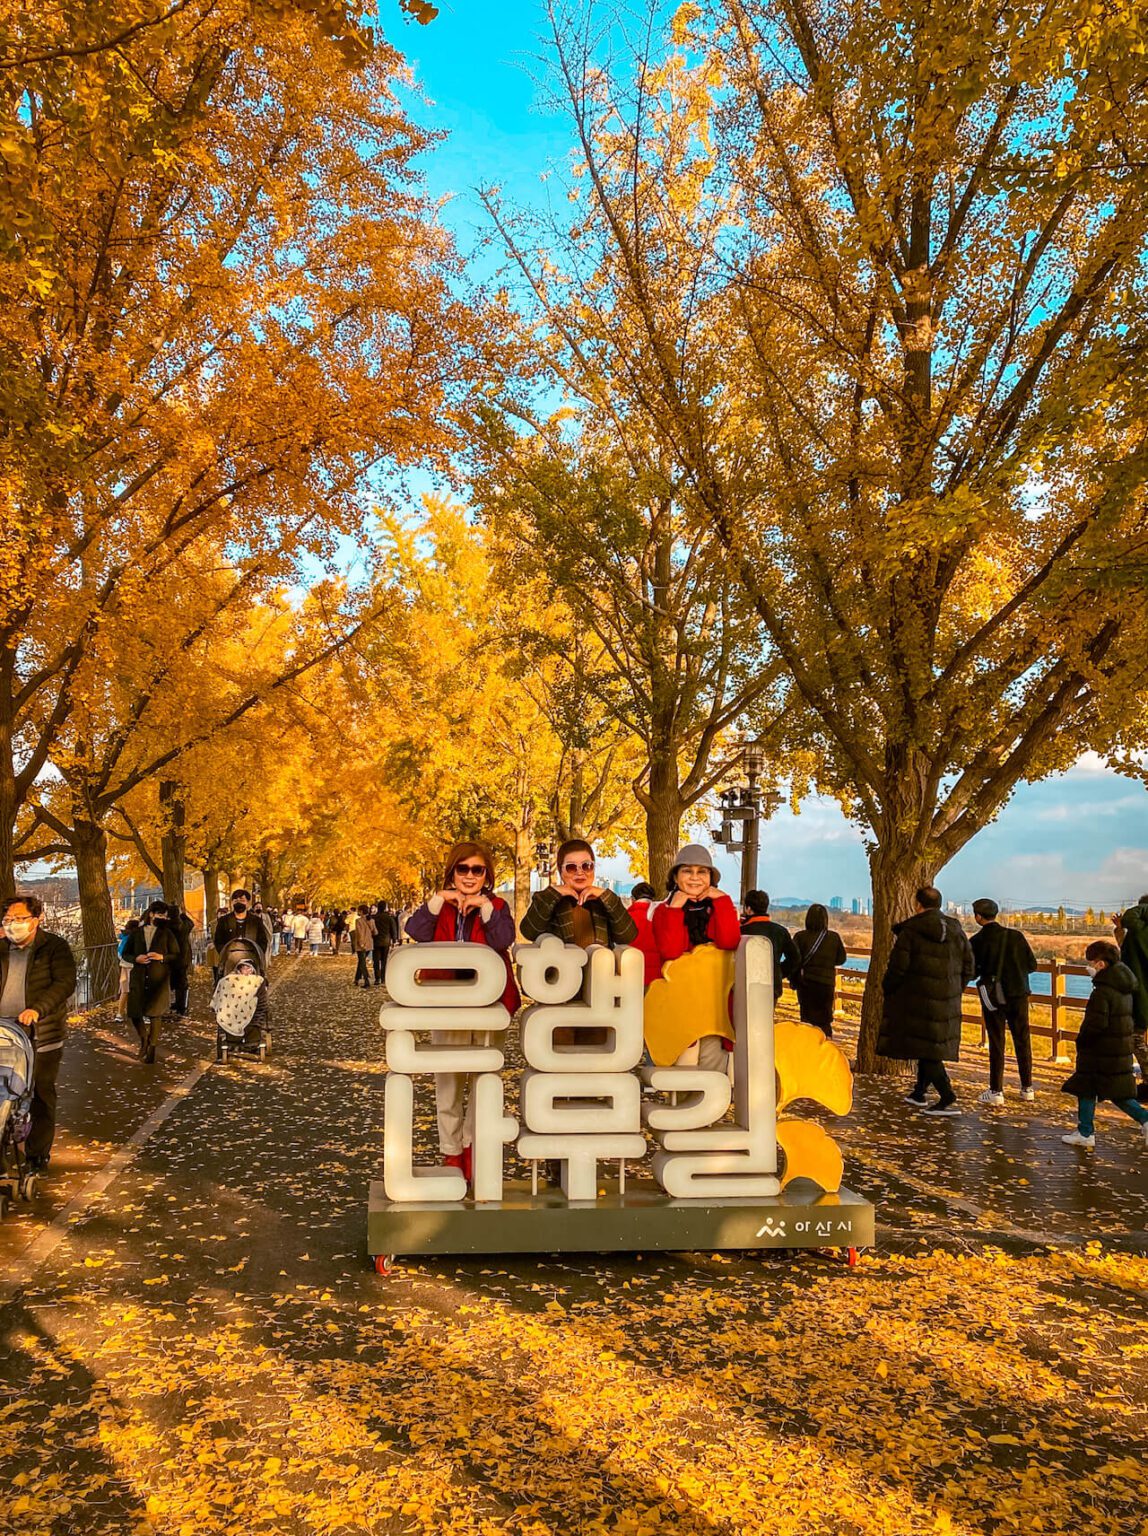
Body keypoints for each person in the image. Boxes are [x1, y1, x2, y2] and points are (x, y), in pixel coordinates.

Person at [406, 841, 520, 1184]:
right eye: (463, 869)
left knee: (485, 1080)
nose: (470, 876)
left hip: (489, 1004)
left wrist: (485, 908)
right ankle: (451, 1151)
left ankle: (472, 1146)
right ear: (452, 871)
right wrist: (439, 901)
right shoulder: (440, 906)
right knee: (449, 1083)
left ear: (487, 875)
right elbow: (416, 932)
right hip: (447, 1004)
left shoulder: (497, 905)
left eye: (477, 870)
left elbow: (502, 940)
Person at [878, 885, 975, 1116]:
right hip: (948, 999)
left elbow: (898, 968)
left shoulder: (910, 931)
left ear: (917, 904)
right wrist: (955, 989)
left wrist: (888, 988)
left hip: (916, 999)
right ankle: (919, 1092)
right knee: (927, 1046)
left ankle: (947, 1096)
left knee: (928, 1050)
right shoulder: (956, 930)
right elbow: (970, 966)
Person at [0, 895, 77, 1173]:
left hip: (41, 1034)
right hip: (2, 1033)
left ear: (37, 919)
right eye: (8, 919)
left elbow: (65, 982)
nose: (13, 925)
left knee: (40, 1092)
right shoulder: (2, 948)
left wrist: (37, 1009)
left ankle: (37, 1153)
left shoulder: (54, 947)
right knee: (2, 1095)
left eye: (19, 919)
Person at [650, 845, 741, 1069]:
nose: (694, 878)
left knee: (714, 1067)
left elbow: (729, 941)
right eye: (687, 871)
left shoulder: (718, 907)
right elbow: (671, 952)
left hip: (715, 1007)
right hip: (681, 1003)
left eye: (702, 872)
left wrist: (721, 900)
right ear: (675, 876)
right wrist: (675, 910)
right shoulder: (663, 910)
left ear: (711, 877)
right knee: (683, 1065)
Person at [1061, 940, 1148, 1149]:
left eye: (1091, 962)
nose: (1088, 966)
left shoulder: (1103, 991)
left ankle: (1086, 1132)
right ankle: (1085, 1130)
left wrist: (1082, 1041)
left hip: (1100, 1049)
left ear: (1101, 964)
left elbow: (1096, 1023)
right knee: (1099, 1089)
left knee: (1093, 1087)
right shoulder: (1124, 985)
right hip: (1117, 1047)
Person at [969, 899, 1038, 1105]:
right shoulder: (1016, 936)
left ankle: (996, 1090)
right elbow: (1032, 965)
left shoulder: (977, 941)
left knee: (996, 1040)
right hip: (1018, 994)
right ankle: (1027, 1087)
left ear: (978, 917)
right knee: (1022, 1039)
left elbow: (972, 972)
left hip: (993, 996)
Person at [520, 839, 638, 950]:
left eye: (587, 866)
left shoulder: (604, 903)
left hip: (600, 970)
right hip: (560, 970)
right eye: (571, 867)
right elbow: (529, 931)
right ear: (561, 871)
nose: (580, 872)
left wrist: (607, 896)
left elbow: (627, 936)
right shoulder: (548, 900)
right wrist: (554, 893)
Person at [125, 899, 182, 1064]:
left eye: (165, 916)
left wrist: (162, 957)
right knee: (135, 1012)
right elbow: (126, 953)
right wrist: (136, 958)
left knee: (156, 1014)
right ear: (151, 914)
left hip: (159, 977)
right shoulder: (136, 933)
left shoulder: (167, 934)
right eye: (160, 915)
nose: (163, 918)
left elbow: (176, 954)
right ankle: (144, 1038)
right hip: (139, 976)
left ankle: (152, 1047)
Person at [789, 903, 848, 1037]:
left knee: (807, 1018)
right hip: (826, 983)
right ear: (825, 919)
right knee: (825, 1018)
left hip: (806, 983)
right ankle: (826, 1044)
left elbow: (793, 959)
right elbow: (841, 959)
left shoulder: (800, 937)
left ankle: (809, 1047)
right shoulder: (834, 937)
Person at [1114, 895, 1148, 1101]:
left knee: (1134, 1038)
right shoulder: (1137, 934)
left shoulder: (1138, 933)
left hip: (1139, 996)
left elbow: (1123, 947)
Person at [740, 891, 801, 1002]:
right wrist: (779, 971)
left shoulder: (741, 931)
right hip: (772, 986)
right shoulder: (780, 931)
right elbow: (795, 958)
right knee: (766, 1018)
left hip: (744, 985)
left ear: (748, 909)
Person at [211, 946, 269, 1061]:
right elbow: (222, 991)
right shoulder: (228, 979)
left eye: (249, 968)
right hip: (231, 1010)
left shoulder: (257, 980)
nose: (246, 971)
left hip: (252, 1013)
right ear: (239, 969)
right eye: (244, 968)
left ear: (253, 970)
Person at [212, 890, 267, 960]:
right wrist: (225, 954)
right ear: (232, 902)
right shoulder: (224, 921)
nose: (239, 903)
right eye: (236, 901)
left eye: (242, 900)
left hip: (251, 958)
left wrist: (257, 956)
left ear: (248, 903)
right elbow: (218, 941)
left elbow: (263, 941)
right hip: (230, 959)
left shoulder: (256, 921)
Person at [628, 881, 661, 985]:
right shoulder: (661, 915)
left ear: (633, 899)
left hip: (632, 973)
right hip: (657, 974)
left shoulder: (626, 918)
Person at [167, 902, 194, 1017]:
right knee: (182, 983)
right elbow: (191, 923)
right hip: (183, 958)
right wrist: (183, 914)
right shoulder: (184, 926)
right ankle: (181, 1005)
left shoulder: (167, 926)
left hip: (171, 958)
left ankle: (175, 1004)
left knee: (170, 982)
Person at [115, 917, 140, 1021]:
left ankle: (119, 1013)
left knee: (124, 991)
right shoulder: (133, 937)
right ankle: (139, 1014)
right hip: (132, 966)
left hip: (123, 965)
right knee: (138, 991)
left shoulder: (124, 936)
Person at [372, 900, 396, 986]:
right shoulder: (389, 918)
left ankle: (377, 978)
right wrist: (394, 940)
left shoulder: (374, 917)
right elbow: (393, 929)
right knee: (384, 960)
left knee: (376, 961)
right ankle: (383, 978)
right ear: (385, 907)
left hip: (375, 941)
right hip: (386, 941)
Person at [351, 904, 375, 987]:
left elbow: (359, 933)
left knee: (362, 962)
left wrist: (361, 943)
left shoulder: (358, 921)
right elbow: (375, 932)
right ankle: (357, 979)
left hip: (361, 944)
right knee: (361, 961)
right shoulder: (371, 920)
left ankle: (366, 980)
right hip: (369, 943)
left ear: (361, 911)